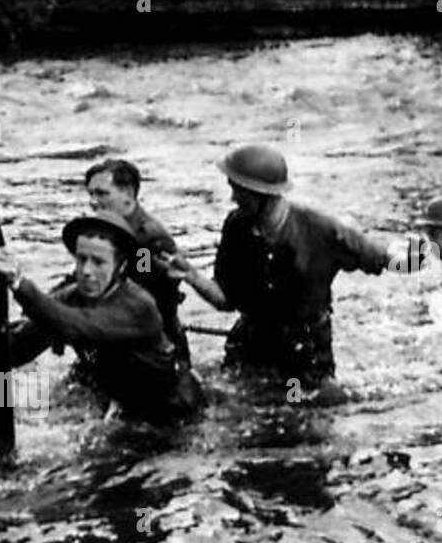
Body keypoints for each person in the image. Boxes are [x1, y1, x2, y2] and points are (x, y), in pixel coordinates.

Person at [165, 144, 420, 388]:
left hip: (305, 360)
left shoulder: (321, 230)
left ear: (262, 195)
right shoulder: (236, 226)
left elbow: (379, 257)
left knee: (303, 415)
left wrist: (415, 260)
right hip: (251, 351)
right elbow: (225, 300)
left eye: (238, 191)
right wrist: (190, 274)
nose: (233, 198)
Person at [0, 210, 203, 424]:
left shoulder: (137, 306)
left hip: (172, 415)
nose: (86, 271)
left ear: (121, 266)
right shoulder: (71, 296)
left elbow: (74, 325)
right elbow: (21, 345)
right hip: (119, 397)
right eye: (81, 259)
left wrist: (19, 283)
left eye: (98, 262)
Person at [84, 158, 190, 361]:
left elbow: (140, 289)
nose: (93, 201)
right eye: (91, 194)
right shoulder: (108, 231)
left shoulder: (146, 240)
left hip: (154, 350)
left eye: (102, 193)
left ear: (128, 194)